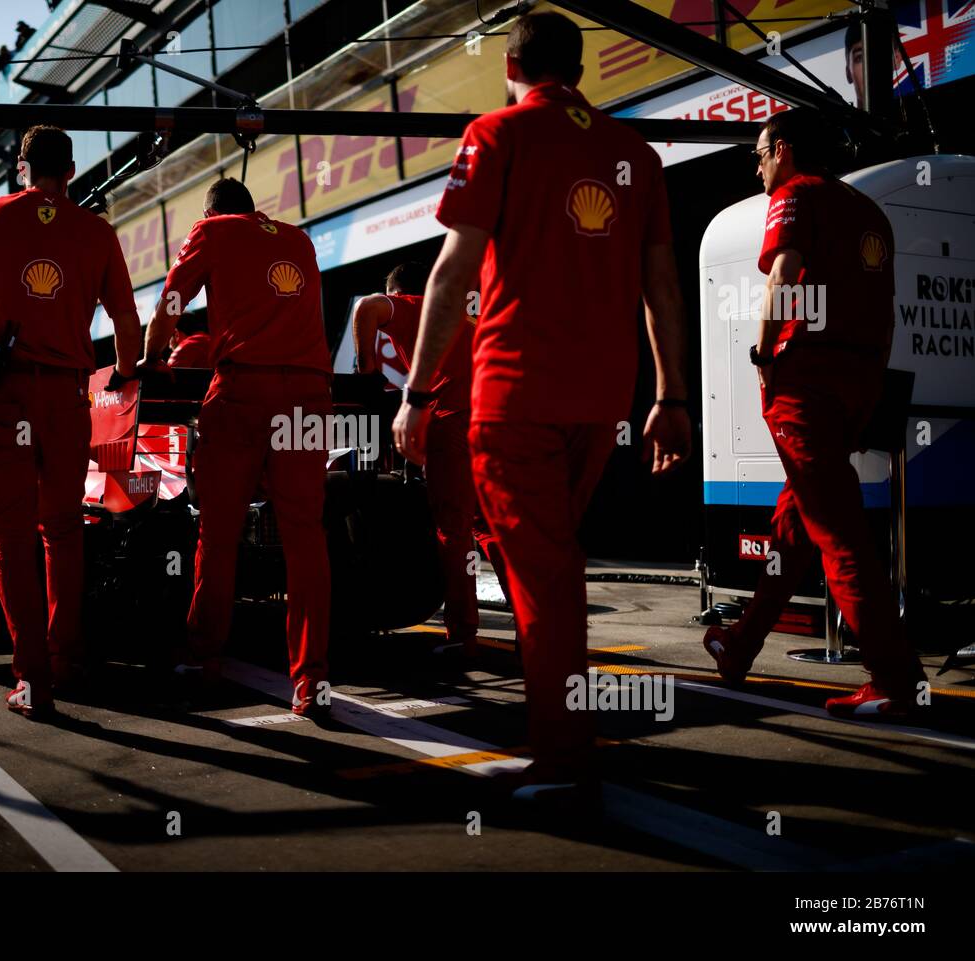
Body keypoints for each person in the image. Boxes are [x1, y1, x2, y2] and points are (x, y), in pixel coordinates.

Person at [393, 12, 692, 797]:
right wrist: (670, 396)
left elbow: (452, 274)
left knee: (546, 578)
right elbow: (662, 287)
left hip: (514, 394)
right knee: (550, 565)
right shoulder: (634, 153)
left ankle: (564, 755)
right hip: (602, 400)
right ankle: (569, 731)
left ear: (512, 63)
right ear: (580, 69)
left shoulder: (494, 134)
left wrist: (419, 393)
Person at [703, 109, 926, 717]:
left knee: (838, 534)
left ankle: (893, 679)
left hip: (806, 384)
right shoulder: (868, 211)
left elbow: (784, 272)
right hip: (857, 385)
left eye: (761, 154)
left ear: (786, 150)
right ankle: (739, 645)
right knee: (796, 524)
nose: (758, 169)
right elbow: (884, 310)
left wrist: (762, 353)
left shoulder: (797, 195)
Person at [0, 124, 140, 718]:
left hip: (4, 396)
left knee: (9, 538)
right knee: (63, 532)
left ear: (24, 167)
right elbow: (127, 323)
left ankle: (32, 680)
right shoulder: (97, 230)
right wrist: (126, 374)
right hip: (65, 398)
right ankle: (67, 659)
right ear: (72, 172)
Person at [142, 177, 333, 718]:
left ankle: (205, 659)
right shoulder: (298, 239)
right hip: (309, 392)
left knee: (218, 531)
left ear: (210, 212)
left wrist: (153, 355)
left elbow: (173, 299)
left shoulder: (212, 230)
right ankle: (311, 681)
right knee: (305, 535)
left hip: (244, 390)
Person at [351, 261, 504, 658]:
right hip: (493, 420)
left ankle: (462, 636)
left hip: (451, 421)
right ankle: (531, 630)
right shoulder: (465, 314)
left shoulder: (414, 305)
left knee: (452, 532)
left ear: (399, 293)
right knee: (492, 528)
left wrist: (365, 369)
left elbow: (367, 307)